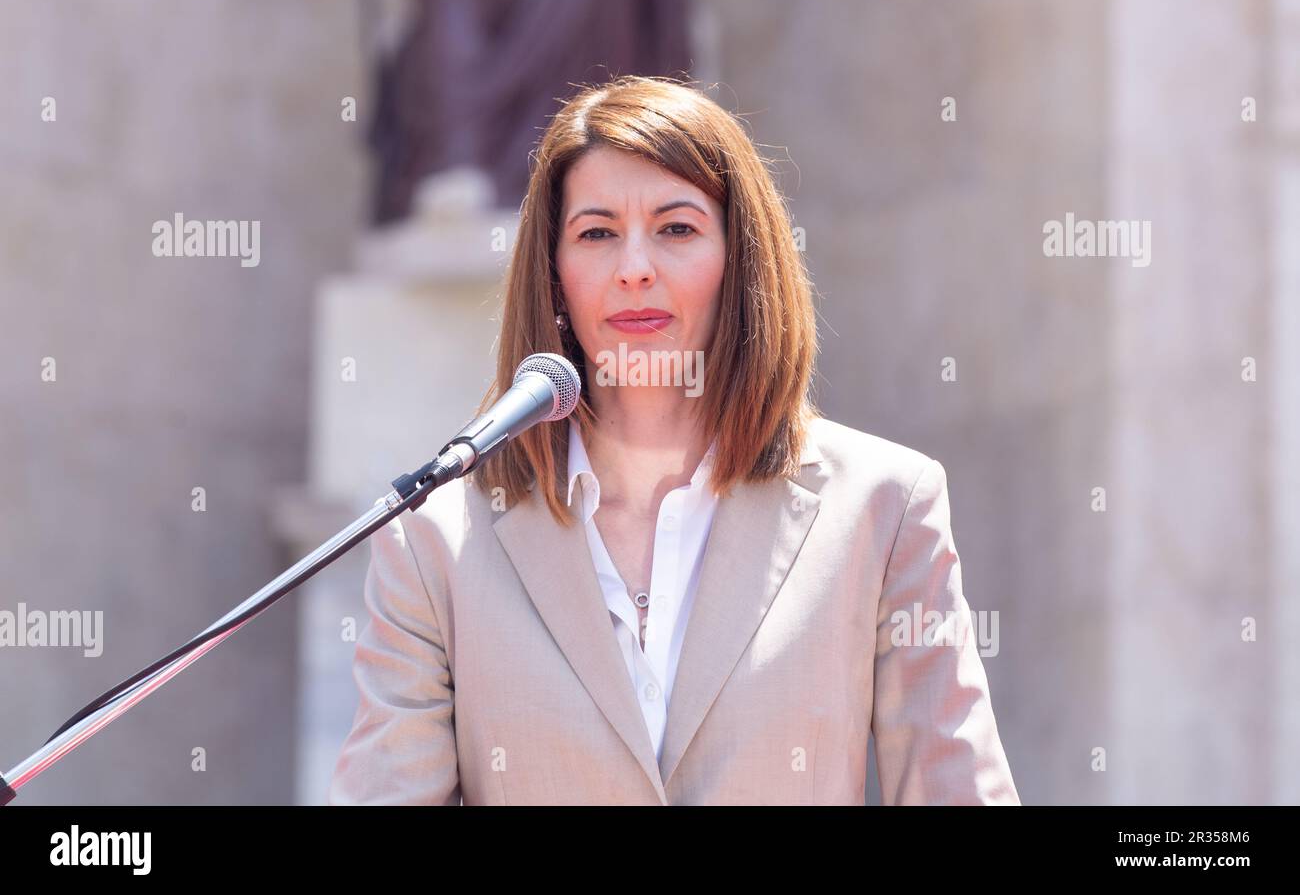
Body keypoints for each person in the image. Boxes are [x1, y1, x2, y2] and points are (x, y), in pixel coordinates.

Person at [328, 75, 1020, 805]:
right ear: (554, 277)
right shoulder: (430, 543)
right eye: (596, 233)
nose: (634, 268)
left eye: (677, 228)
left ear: (740, 261)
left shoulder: (885, 507)